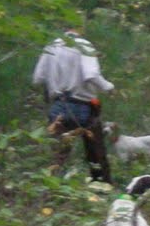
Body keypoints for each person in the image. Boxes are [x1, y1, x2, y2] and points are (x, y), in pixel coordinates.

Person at [32, 27, 114, 184]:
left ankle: (50, 192)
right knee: (95, 153)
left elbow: (37, 78)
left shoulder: (51, 46)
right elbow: (91, 74)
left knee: (58, 156)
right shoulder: (84, 45)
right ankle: (102, 188)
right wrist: (109, 87)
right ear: (80, 28)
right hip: (83, 106)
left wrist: (56, 82)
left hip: (58, 106)